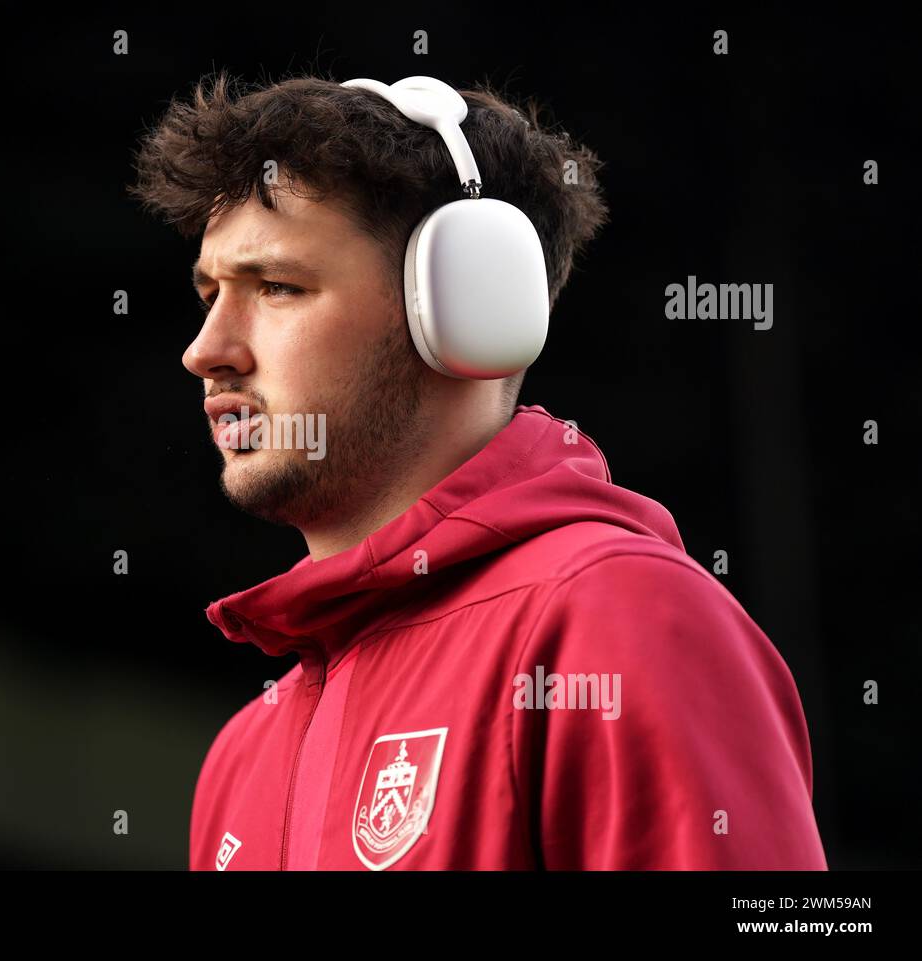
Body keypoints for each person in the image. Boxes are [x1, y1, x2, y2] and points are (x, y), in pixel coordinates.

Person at [128, 70, 827, 870]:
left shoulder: (615, 618)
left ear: (465, 309)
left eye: (278, 286)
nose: (205, 351)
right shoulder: (242, 753)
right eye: (210, 292)